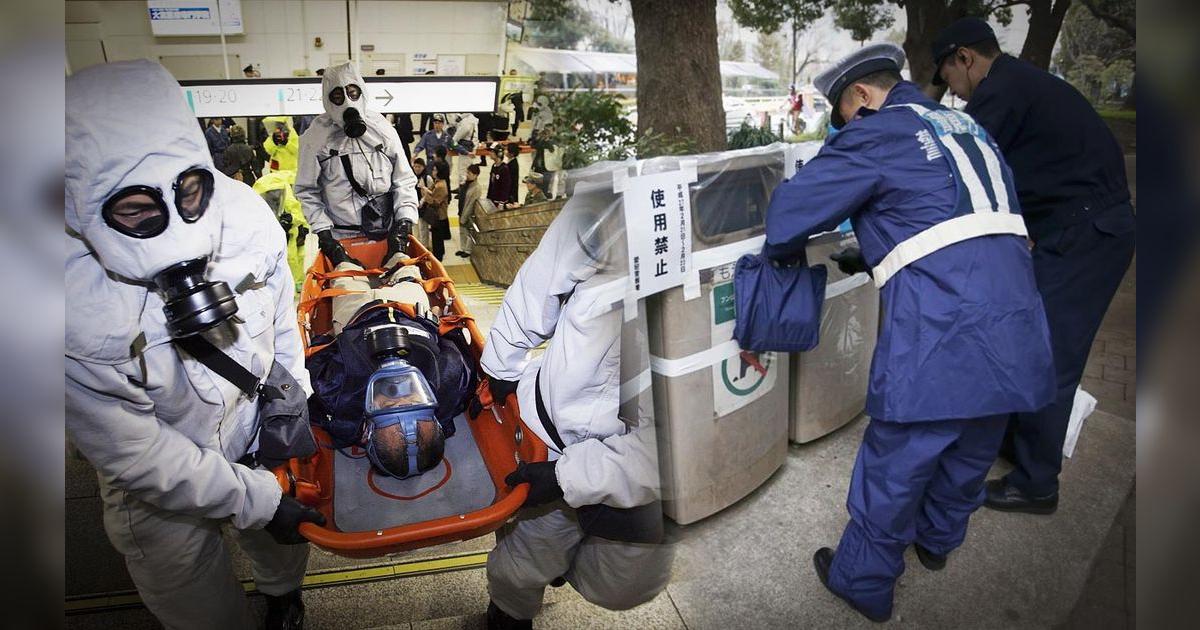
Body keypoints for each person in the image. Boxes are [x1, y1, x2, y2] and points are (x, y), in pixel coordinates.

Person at [762, 43, 1055, 622]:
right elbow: (954, 214)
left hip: (944, 320)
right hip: (1017, 311)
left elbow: (788, 214)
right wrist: (874, 250)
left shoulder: (877, 130)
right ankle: (938, 540)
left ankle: (863, 581)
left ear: (862, 96)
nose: (845, 128)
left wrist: (781, 254)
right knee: (976, 437)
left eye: (844, 117)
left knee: (900, 455)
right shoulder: (968, 126)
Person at [66, 60, 323, 630]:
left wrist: (295, 398)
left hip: (255, 426)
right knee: (193, 600)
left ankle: (282, 597)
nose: (176, 228)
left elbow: (282, 317)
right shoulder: (63, 302)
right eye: (137, 211)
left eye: (189, 194)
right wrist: (255, 500)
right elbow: (135, 453)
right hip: (158, 477)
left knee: (280, 551)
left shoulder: (246, 217)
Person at [931, 17, 1137, 515]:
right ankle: (1018, 443)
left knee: (1050, 356)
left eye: (948, 76)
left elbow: (959, 171)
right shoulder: (1021, 82)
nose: (952, 91)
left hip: (1087, 234)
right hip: (1078, 227)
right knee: (1028, 341)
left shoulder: (1000, 92)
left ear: (964, 58)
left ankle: (1037, 483)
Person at [480, 176, 672, 629]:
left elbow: (687, 444)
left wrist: (569, 479)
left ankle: (559, 561)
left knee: (626, 583)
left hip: (628, 464)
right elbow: (543, 279)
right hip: (552, 429)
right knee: (523, 561)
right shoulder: (621, 199)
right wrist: (502, 364)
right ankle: (509, 613)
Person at [295, 61, 418, 265]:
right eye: (337, 97)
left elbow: (404, 180)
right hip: (342, 238)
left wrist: (403, 225)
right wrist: (326, 237)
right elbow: (306, 191)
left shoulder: (382, 129)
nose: (347, 102)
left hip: (386, 233)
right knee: (348, 283)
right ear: (327, 100)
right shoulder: (315, 138)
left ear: (362, 92)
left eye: (353, 93)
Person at [253, 169, 310, 292]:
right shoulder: (260, 198)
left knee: (294, 258)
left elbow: (298, 211)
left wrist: (295, 221)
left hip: (291, 233)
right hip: (270, 236)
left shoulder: (288, 194)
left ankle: (296, 283)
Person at [418, 160, 451, 260]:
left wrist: (424, 192)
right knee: (437, 236)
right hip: (438, 214)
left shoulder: (440, 185)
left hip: (439, 215)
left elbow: (435, 202)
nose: (433, 171)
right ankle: (439, 253)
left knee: (437, 238)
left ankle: (438, 256)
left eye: (435, 170)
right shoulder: (438, 182)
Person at [455, 164, 484, 258]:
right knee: (462, 231)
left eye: (469, 173)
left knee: (468, 232)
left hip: (468, 213)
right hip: (461, 209)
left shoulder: (477, 188)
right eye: (467, 172)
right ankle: (463, 248)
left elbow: (471, 204)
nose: (467, 175)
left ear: (475, 175)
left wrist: (465, 216)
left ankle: (468, 250)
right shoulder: (467, 184)